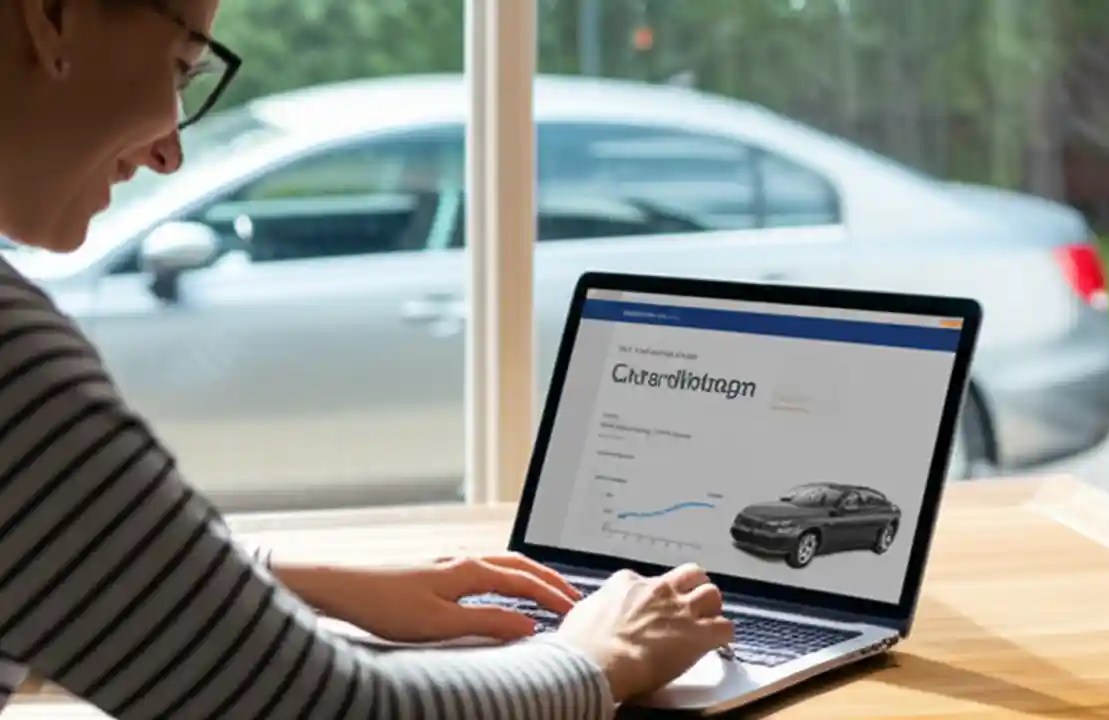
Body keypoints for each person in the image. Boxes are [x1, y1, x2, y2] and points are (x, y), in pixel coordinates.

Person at [0, 0, 734, 717]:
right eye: (181, 68)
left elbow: (48, 567)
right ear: (53, 16)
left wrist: (284, 580)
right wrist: (598, 659)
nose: (171, 152)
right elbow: (325, 706)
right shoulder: (15, 362)